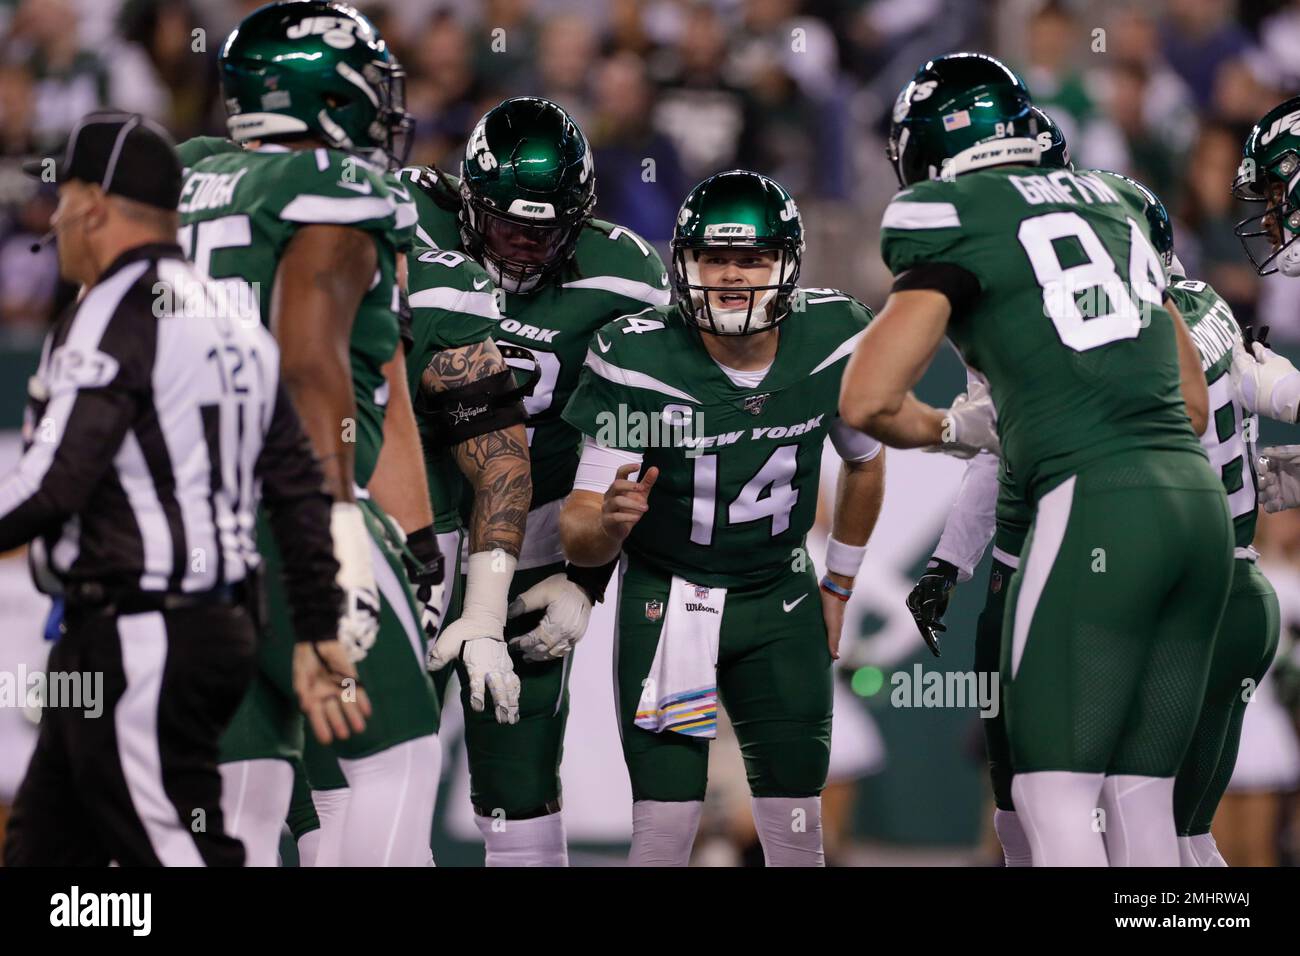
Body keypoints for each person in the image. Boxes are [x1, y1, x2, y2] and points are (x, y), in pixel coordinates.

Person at [840, 52, 1232, 866]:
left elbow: (866, 402)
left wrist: (959, 430)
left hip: (1096, 502)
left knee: (1051, 796)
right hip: (1197, 508)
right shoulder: (1120, 198)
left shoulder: (948, 212)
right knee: (1142, 804)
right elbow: (1192, 407)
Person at [1, 111, 357, 866]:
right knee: (46, 852)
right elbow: (298, 490)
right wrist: (319, 625)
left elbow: (56, 479)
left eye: (63, 196)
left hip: (142, 626)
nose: (55, 217)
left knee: (172, 849)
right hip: (194, 626)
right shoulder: (232, 321)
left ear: (93, 203)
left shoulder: (112, 312)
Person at [176, 0, 456, 866]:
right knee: (396, 757)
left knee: (248, 793)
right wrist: (334, 528)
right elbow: (310, 365)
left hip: (185, 526)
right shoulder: (334, 188)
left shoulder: (178, 179)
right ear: (328, 95)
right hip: (290, 507)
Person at [560, 169, 887, 866]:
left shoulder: (833, 335)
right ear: (684, 263)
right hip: (673, 597)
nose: (732, 276)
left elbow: (864, 462)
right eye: (714, 258)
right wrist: (609, 525)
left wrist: (839, 584)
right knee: (666, 827)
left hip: (780, 594)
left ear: (787, 265)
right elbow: (580, 528)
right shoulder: (638, 354)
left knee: (797, 827)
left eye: (752, 258)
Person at [399, 96, 670, 865]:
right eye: (505, 224)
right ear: (465, 201)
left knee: (519, 760)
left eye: (543, 230)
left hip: (531, 527)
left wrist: (589, 579)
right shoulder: (405, 214)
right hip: (414, 515)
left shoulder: (625, 277)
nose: (521, 247)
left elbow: (636, 430)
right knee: (383, 743)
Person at [905, 105, 1070, 868]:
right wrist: (949, 562)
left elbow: (874, 402)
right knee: (1023, 780)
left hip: (1089, 537)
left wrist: (939, 425)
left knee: (1088, 789)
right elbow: (1001, 441)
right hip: (1038, 548)